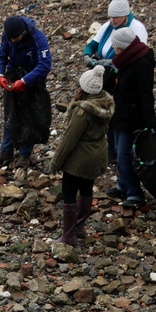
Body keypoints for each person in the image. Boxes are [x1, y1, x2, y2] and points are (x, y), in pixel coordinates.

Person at [50, 66, 114, 244]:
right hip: (98, 154)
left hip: (79, 159)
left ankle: (68, 234)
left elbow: (69, 139)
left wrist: (56, 162)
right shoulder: (106, 104)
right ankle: (79, 226)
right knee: (86, 189)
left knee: (69, 192)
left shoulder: (82, 111)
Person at [83, 0, 148, 163]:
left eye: (116, 18)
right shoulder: (107, 27)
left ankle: (121, 152)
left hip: (122, 77)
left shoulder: (137, 29)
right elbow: (92, 44)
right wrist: (87, 56)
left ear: (126, 15)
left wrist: (110, 63)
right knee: (106, 113)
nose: (113, 20)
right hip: (106, 76)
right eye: (111, 17)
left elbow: (135, 54)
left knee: (118, 114)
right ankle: (111, 150)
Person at [106, 27, 156, 209]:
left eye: (116, 45)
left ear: (125, 47)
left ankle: (135, 194)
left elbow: (146, 94)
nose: (113, 48)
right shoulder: (126, 59)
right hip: (121, 115)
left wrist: (150, 121)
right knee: (120, 152)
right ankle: (123, 184)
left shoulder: (142, 63)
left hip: (132, 118)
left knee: (125, 156)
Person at [0, 16, 52, 167]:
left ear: (24, 31)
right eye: (10, 38)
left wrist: (25, 81)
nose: (13, 41)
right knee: (10, 114)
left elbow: (45, 65)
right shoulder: (8, 37)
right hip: (13, 76)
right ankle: (6, 151)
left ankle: (24, 155)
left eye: (16, 38)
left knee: (30, 116)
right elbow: (0, 55)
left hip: (33, 81)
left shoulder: (38, 38)